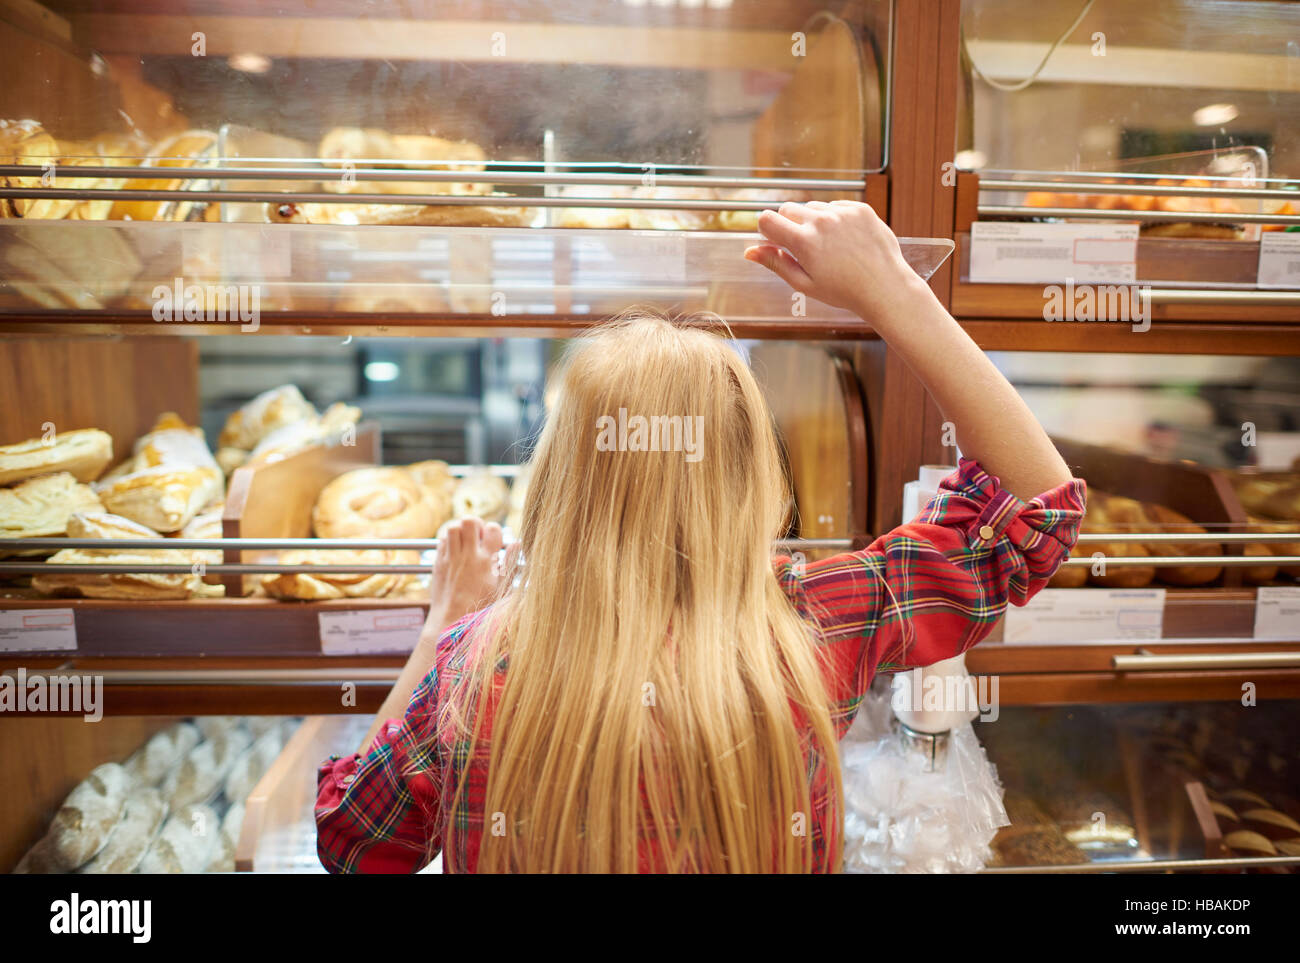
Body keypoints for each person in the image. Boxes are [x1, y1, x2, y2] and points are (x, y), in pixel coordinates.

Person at [315, 201, 1086, 873]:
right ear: (752, 481)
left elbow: (351, 840)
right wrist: (893, 292)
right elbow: (1039, 513)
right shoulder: (818, 625)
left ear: (561, 480)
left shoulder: (471, 667)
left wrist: (444, 625)